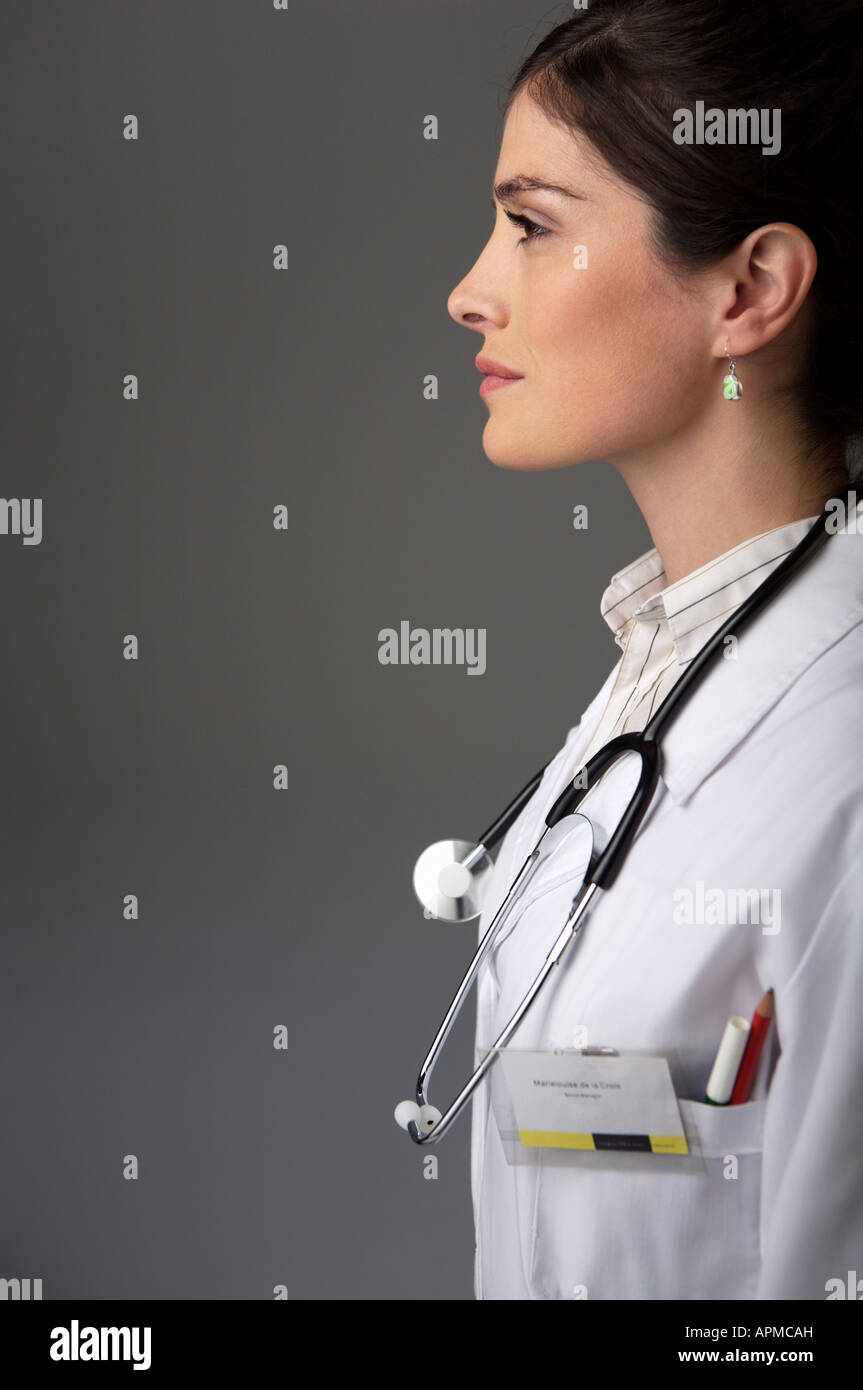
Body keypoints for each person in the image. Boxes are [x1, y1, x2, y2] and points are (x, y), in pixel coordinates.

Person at [445, 0, 863, 1300]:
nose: (469, 292)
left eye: (532, 226)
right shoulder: (663, 675)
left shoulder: (843, 755)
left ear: (749, 290)